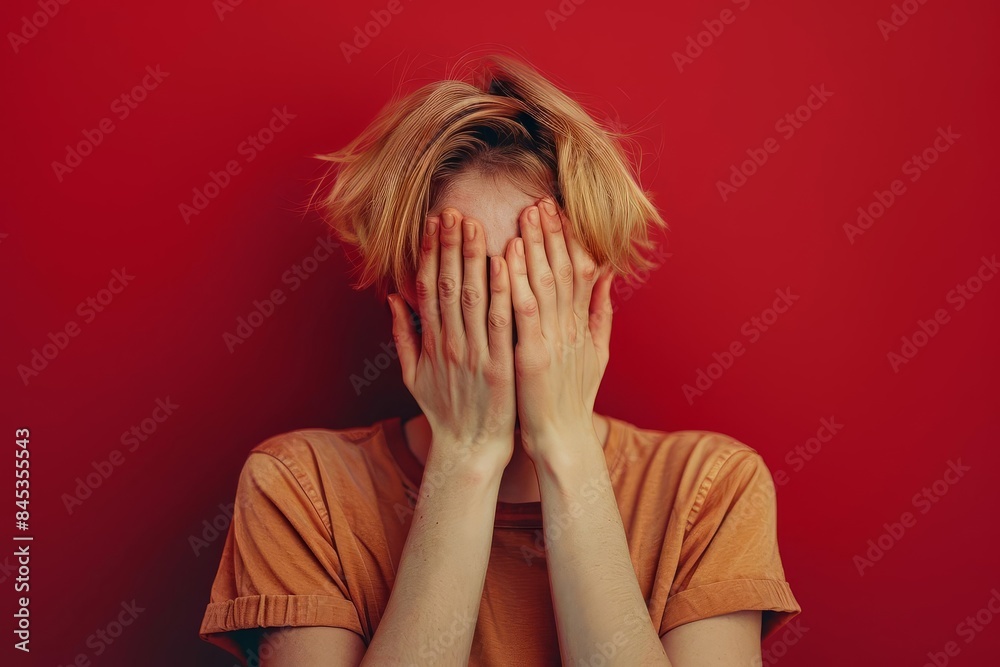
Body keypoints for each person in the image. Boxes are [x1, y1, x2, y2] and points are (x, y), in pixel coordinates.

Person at [199, 53, 801, 666]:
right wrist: (466, 453)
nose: (502, 314)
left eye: (538, 272)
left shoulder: (711, 487)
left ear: (596, 283)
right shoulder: (300, 486)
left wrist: (564, 445)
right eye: (467, 278)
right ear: (404, 292)